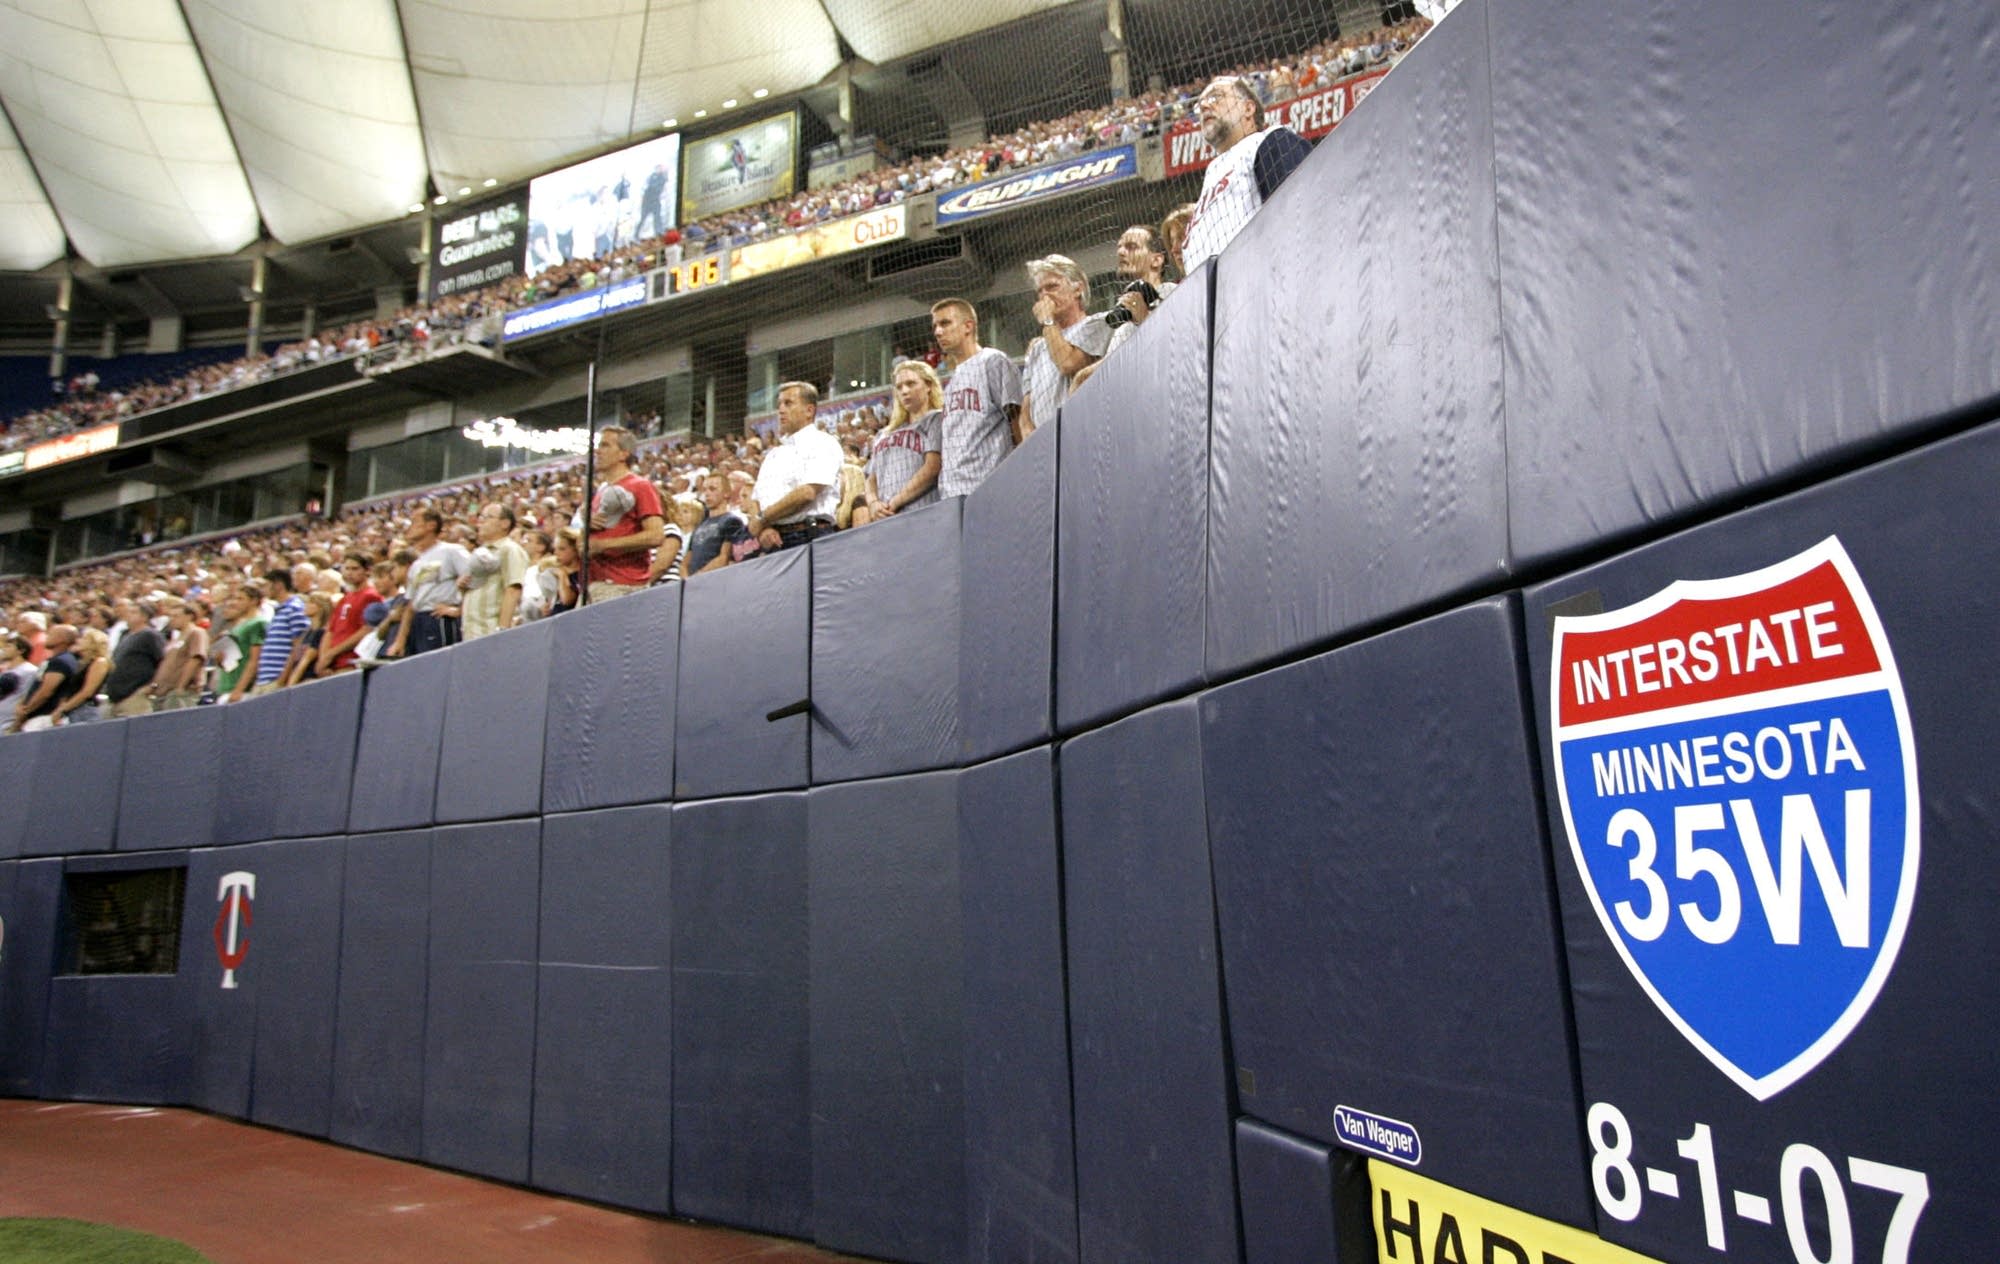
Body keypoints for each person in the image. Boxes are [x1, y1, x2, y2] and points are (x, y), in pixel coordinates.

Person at [1180, 75, 1315, 272]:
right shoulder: (1209, 183)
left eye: (1216, 97)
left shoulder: (1269, 142)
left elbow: (1301, 219)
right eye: (1199, 105)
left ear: (1248, 109)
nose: (1204, 107)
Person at [931, 298, 1023, 498]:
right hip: (952, 494)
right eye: (935, 326)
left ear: (968, 326)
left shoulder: (992, 361)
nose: (938, 332)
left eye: (945, 323)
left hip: (989, 488)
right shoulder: (952, 381)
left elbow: (1018, 424)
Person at [1018, 255, 1111, 438]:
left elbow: (1068, 363)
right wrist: (1034, 445)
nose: (1045, 296)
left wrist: (1047, 321)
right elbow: (1025, 414)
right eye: (1040, 291)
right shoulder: (1037, 348)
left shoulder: (1097, 323)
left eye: (1052, 286)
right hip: (1044, 448)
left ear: (1078, 289)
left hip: (1082, 435)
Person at [750, 382, 843, 552]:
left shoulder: (823, 442)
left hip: (810, 537)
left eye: (788, 403)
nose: (781, 410)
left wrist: (763, 519)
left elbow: (807, 493)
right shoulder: (773, 454)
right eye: (779, 404)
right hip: (775, 542)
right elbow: (755, 499)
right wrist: (765, 529)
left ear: (809, 410)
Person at [581, 425, 665, 603]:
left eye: (605, 445)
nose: (598, 451)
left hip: (622, 586)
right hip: (594, 584)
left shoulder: (640, 486)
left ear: (623, 454)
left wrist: (603, 545)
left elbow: (656, 535)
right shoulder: (601, 490)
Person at [856, 360, 944, 528]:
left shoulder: (937, 419)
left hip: (923, 515)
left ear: (928, 385)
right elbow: (871, 477)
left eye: (911, 384)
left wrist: (895, 502)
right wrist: (873, 503)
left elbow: (933, 467)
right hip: (886, 519)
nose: (904, 391)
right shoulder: (884, 433)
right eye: (899, 386)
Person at [392, 508, 468, 656]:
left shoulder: (451, 551)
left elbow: (474, 579)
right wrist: (400, 640)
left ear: (431, 525)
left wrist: (459, 610)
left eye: (415, 522)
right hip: (419, 621)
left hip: (438, 619)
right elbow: (410, 605)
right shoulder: (417, 563)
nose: (410, 527)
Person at [459, 502, 529, 636]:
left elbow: (513, 590)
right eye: (480, 517)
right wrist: (462, 585)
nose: (480, 522)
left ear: (505, 523)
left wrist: (502, 630)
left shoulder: (509, 549)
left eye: (487, 517)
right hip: (473, 631)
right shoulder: (480, 552)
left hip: (490, 631)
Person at [317, 554, 381, 674]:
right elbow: (330, 631)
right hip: (333, 664)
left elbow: (366, 630)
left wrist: (332, 653)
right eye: (347, 569)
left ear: (367, 571)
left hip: (352, 662)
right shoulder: (345, 598)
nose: (350, 573)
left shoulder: (371, 596)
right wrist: (323, 658)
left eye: (355, 569)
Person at [103, 598, 165, 718]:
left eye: (133, 612)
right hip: (115, 696)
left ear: (145, 617)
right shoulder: (125, 634)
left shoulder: (150, 635)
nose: (128, 615)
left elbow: (163, 661)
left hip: (134, 695)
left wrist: (152, 686)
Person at [13, 624, 81, 732]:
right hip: (36, 716)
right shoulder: (56, 659)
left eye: (51, 634)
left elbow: (46, 691)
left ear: (62, 639)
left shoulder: (62, 661)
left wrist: (26, 710)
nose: (46, 637)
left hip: (44, 717)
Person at [680, 473, 751, 577]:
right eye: (705, 490)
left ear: (726, 493)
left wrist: (697, 577)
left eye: (712, 489)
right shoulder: (700, 525)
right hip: (692, 584)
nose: (707, 494)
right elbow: (686, 561)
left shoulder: (732, 521)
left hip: (715, 580)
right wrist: (686, 580)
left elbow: (724, 557)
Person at [255, 567, 310, 694]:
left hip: (277, 678)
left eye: (267, 585)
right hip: (264, 679)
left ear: (278, 585)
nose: (263, 590)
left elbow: (299, 645)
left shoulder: (294, 608)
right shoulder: (278, 611)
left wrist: (282, 679)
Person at [216, 584, 267, 703]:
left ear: (253, 601)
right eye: (235, 598)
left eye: (241, 599)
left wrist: (239, 690)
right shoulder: (238, 625)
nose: (235, 603)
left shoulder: (257, 623)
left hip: (240, 690)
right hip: (226, 685)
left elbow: (255, 659)